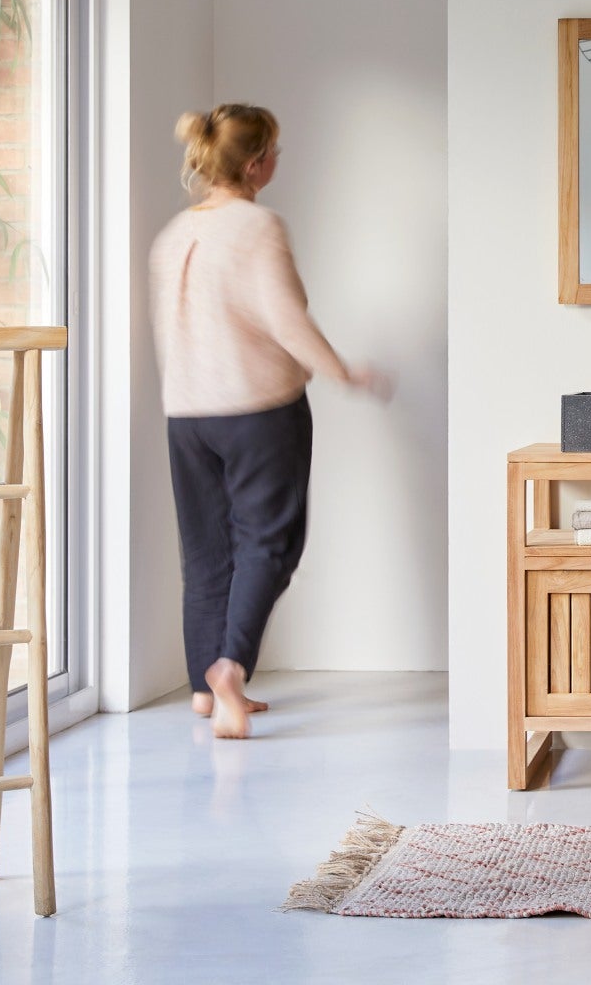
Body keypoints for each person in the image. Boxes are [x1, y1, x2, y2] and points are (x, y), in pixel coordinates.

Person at [150, 103, 386, 739]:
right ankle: (231, 668)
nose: (279, 161)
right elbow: (285, 319)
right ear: (255, 164)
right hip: (257, 411)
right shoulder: (258, 226)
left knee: (205, 553)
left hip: (186, 414)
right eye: (275, 151)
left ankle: (206, 689)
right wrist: (342, 371)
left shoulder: (174, 235)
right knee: (269, 542)